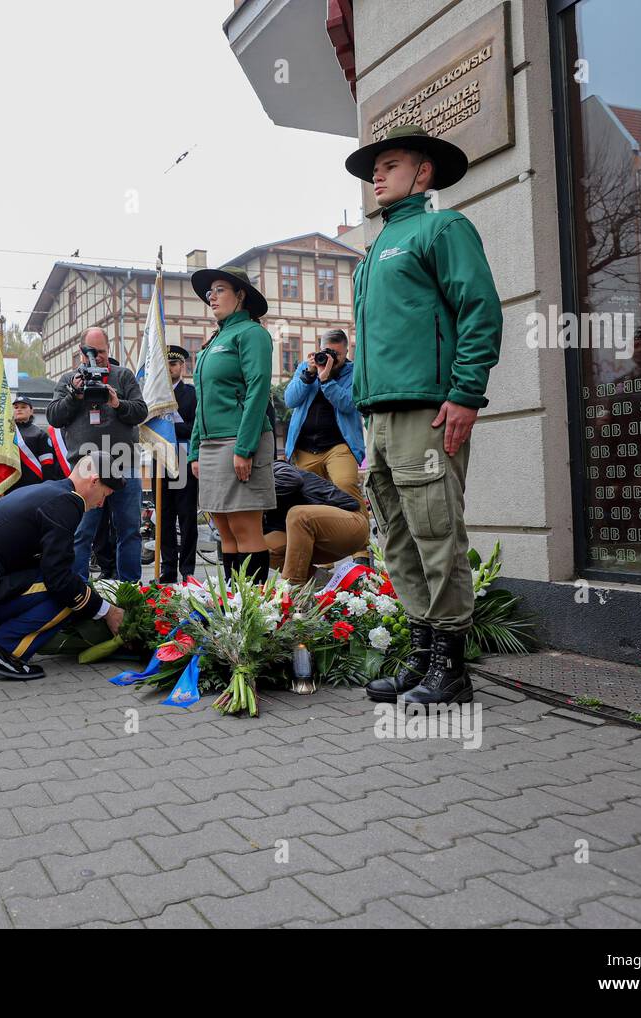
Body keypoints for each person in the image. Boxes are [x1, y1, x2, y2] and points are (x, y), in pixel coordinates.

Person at [344, 124, 502, 706]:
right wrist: (367, 428)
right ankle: (420, 657)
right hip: (380, 418)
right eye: (373, 170)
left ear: (423, 172)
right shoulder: (375, 251)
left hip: (429, 413)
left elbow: (479, 309)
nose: (376, 176)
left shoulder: (443, 228)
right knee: (399, 540)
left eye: (388, 165)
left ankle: (452, 669)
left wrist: (465, 393)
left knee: (437, 534)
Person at [0, 452, 126, 680]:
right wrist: (106, 611)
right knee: (66, 596)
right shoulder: (67, 503)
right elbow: (59, 580)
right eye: (104, 494)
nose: (101, 504)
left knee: (53, 584)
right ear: (94, 480)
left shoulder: (51, 490)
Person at [187, 266, 276, 583]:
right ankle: (233, 608)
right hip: (212, 446)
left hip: (239, 441)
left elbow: (258, 390)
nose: (212, 297)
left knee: (245, 527)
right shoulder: (215, 340)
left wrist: (245, 447)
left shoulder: (252, 333)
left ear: (241, 295)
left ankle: (254, 612)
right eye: (209, 292)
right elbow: (203, 399)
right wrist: (195, 450)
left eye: (220, 289)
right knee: (223, 529)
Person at [46, 327, 147, 580]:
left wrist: (117, 403)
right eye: (92, 352)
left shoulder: (123, 376)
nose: (97, 357)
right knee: (82, 532)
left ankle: (130, 590)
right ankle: (78, 591)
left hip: (123, 463)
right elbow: (54, 416)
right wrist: (74, 395)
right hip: (85, 469)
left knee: (130, 530)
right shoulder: (69, 381)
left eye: (101, 351)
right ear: (81, 352)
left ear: (108, 350)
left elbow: (141, 411)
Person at [283, 328, 366, 494]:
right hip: (305, 448)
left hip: (340, 446)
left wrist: (326, 380)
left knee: (346, 486)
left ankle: (357, 521)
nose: (332, 359)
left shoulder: (354, 372)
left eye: (337, 354)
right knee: (310, 497)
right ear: (320, 349)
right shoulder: (306, 368)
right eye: (328, 352)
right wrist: (308, 375)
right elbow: (290, 400)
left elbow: (348, 404)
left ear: (347, 351)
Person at [263, 460, 368, 583]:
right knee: (262, 548)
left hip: (351, 525)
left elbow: (293, 480)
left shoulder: (274, 468)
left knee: (298, 514)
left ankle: (293, 587)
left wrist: (256, 497)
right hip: (316, 543)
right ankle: (323, 582)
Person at [158, 345, 198, 584]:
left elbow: (196, 427)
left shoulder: (191, 394)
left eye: (174, 364)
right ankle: (168, 567)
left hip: (183, 458)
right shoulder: (155, 394)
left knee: (186, 516)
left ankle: (188, 568)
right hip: (160, 458)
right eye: (167, 364)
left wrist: (170, 428)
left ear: (182, 366)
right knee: (163, 517)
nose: (171, 368)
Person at [8, 394, 61, 492]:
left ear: (31, 411)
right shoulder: (5, 434)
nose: (19, 409)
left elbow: (47, 465)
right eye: (16, 407)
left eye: (23, 407)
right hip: (10, 486)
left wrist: (46, 488)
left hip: (33, 486)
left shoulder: (40, 434)